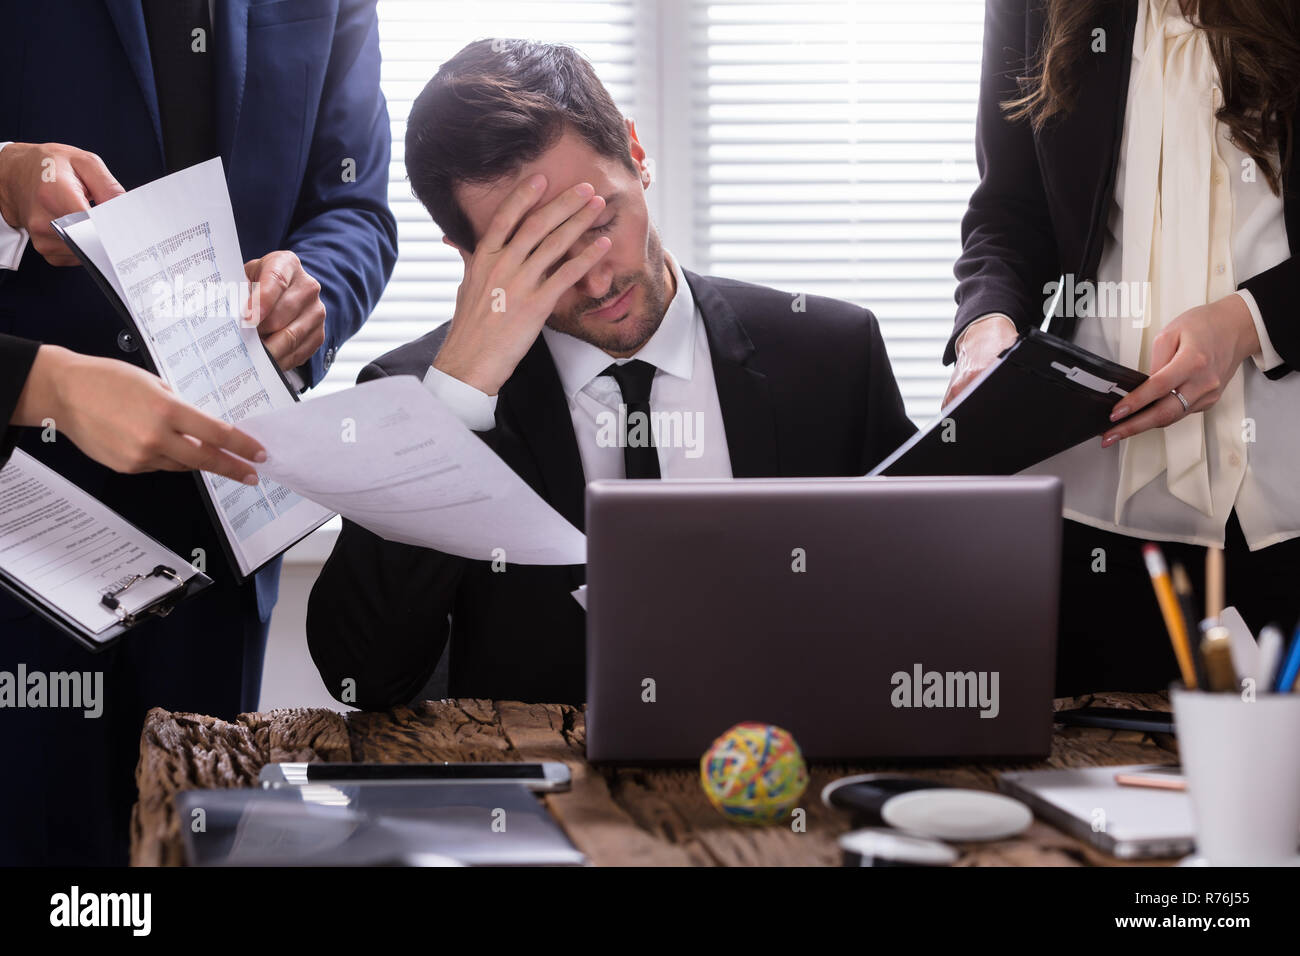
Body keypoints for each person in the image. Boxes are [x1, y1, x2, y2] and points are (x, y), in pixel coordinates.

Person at [305, 39, 917, 708]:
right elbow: (361, 676)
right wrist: (456, 399)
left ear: (636, 152)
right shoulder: (421, 400)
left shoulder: (832, 357)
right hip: (551, 805)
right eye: (543, 255)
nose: (596, 279)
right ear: (467, 257)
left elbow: (924, 607)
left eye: (600, 220)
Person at [0, 1, 397, 865]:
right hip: (17, 519)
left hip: (222, 522)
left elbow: (355, 206)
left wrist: (311, 291)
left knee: (195, 852)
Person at [945, 0, 1300, 694]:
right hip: (1093, 502)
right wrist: (986, 329)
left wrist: (1246, 321)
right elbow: (1007, 213)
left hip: (1282, 501)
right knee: (1087, 774)